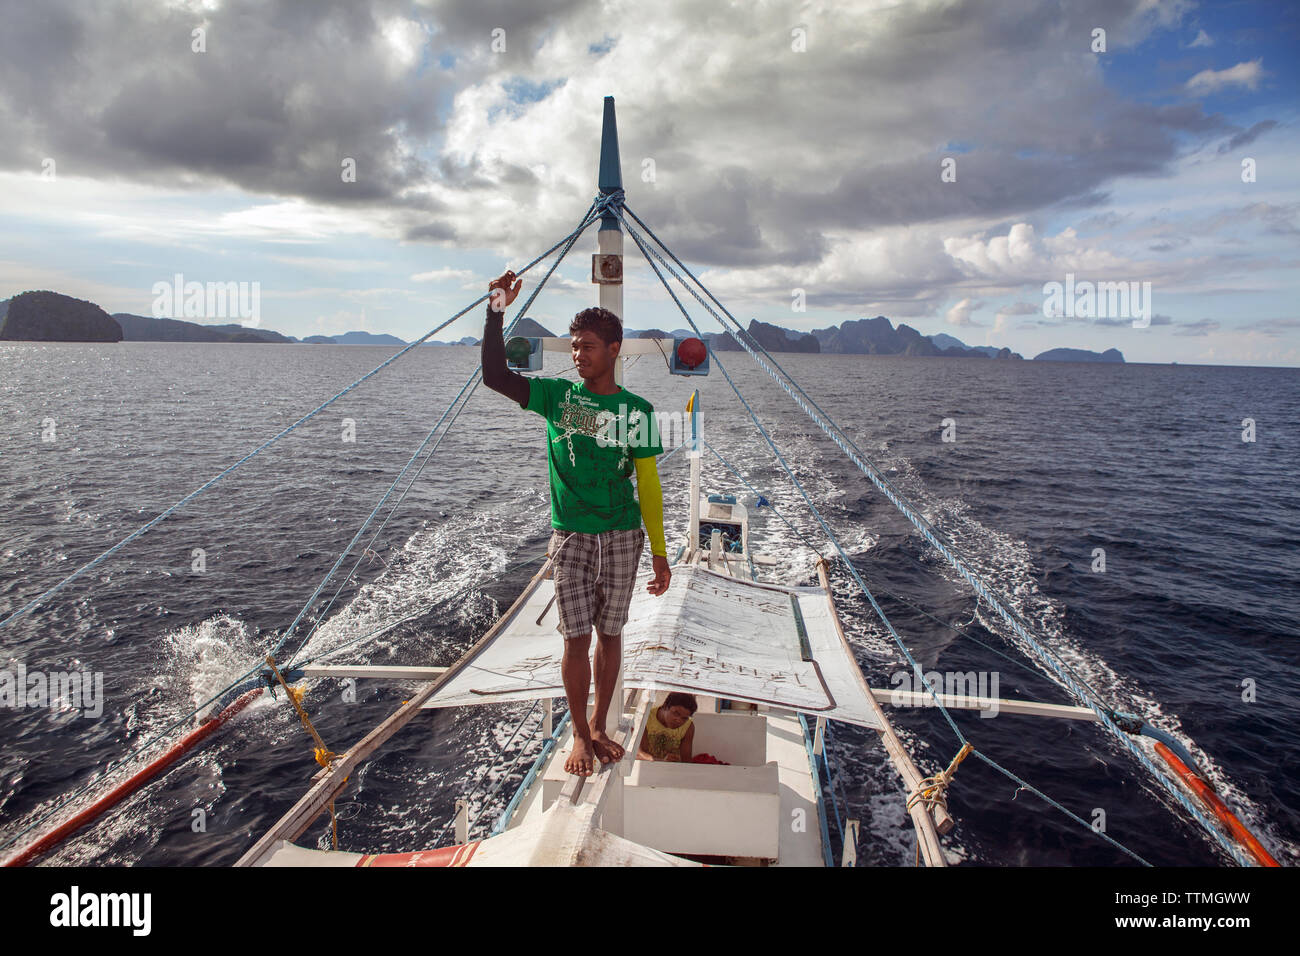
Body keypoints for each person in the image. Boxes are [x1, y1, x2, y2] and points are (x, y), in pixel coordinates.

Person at [481, 270, 672, 777]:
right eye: (573, 347)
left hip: (623, 533)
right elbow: (496, 377)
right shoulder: (557, 399)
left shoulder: (638, 411)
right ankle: (581, 735)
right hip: (571, 535)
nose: (577, 354)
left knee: (611, 633)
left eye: (587, 346)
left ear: (614, 348)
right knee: (575, 638)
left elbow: (649, 487)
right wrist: (495, 310)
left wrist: (660, 553)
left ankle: (601, 724)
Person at [637, 692, 697, 762]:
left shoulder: (688, 727)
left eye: (684, 718)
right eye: (676, 713)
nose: (678, 720)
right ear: (665, 706)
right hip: (646, 768)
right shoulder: (645, 718)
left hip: (672, 769)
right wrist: (662, 760)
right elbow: (638, 754)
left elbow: (686, 760)